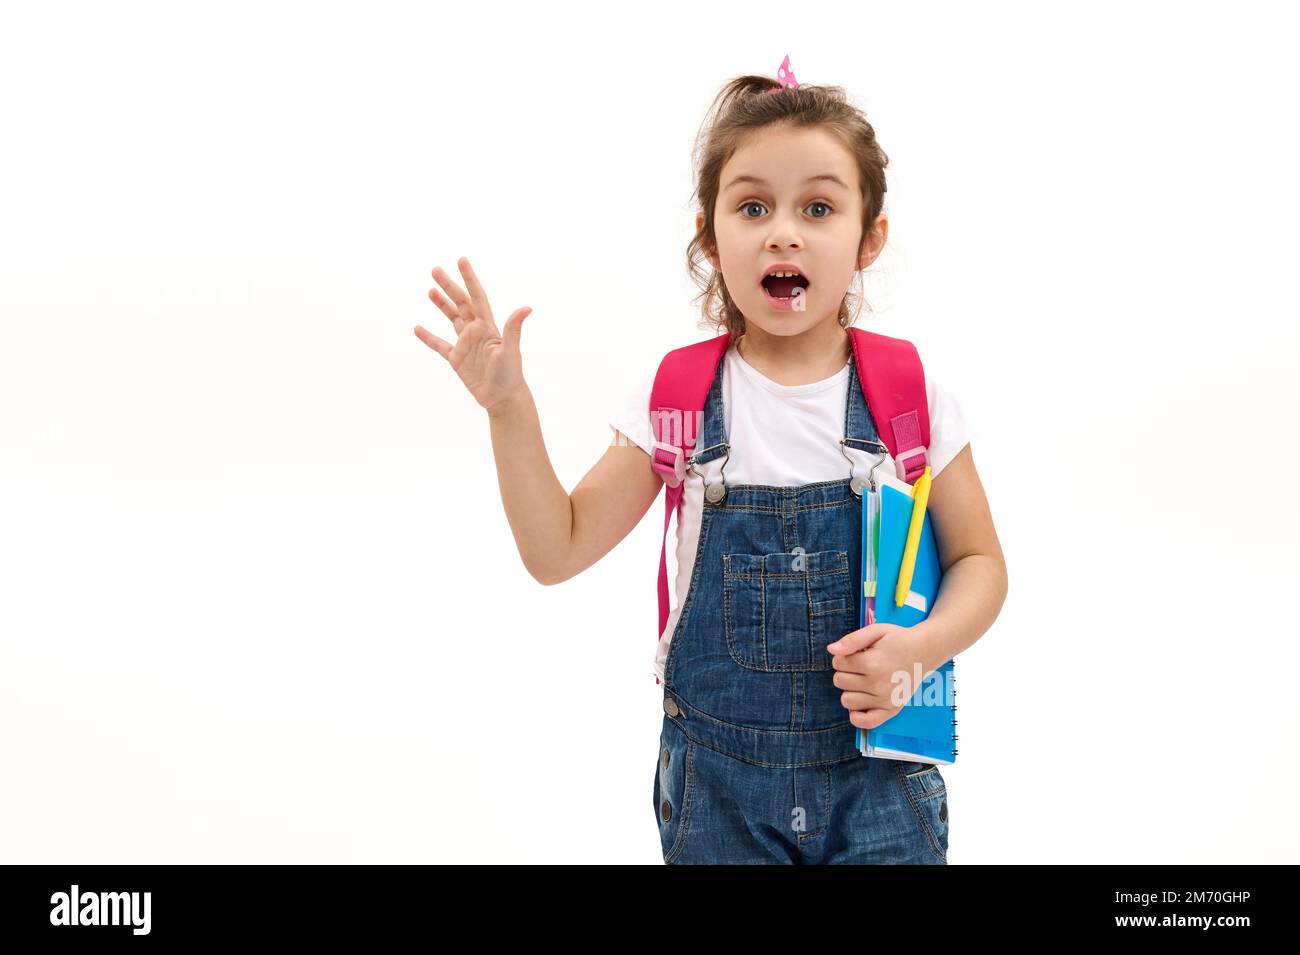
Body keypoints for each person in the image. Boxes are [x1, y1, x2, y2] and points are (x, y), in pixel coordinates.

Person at [414, 64, 1008, 864]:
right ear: (709, 234)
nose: (783, 232)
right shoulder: (680, 398)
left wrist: (921, 647)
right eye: (753, 205)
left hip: (882, 782)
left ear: (871, 237)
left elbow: (980, 562)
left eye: (819, 207)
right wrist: (508, 409)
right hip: (719, 789)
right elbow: (555, 549)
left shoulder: (909, 392)